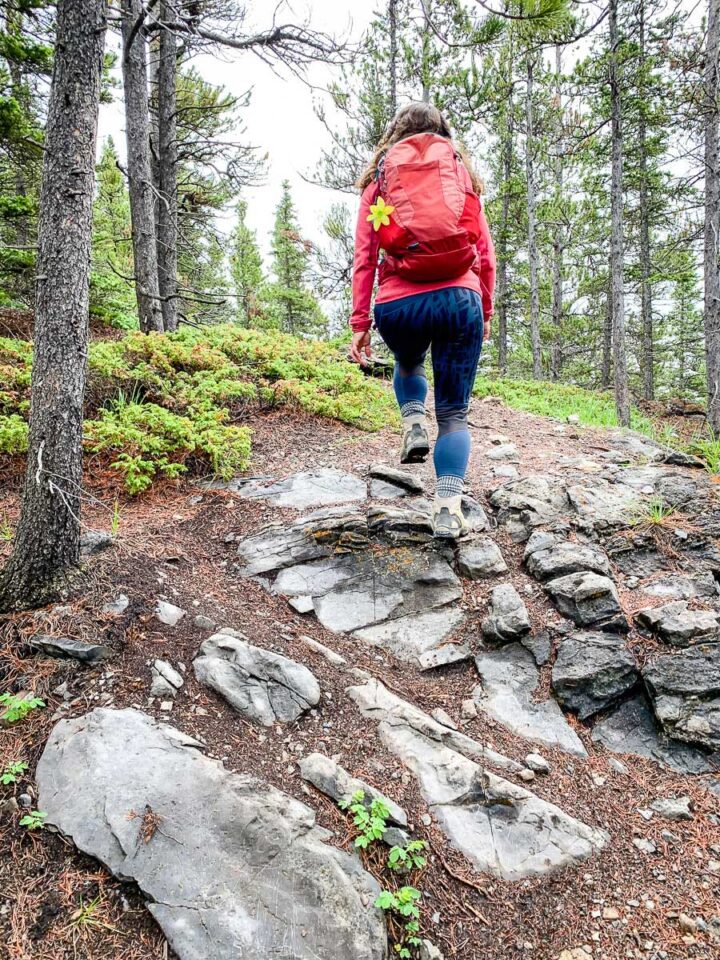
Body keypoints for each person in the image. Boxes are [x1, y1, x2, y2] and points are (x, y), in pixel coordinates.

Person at [349, 101, 496, 539]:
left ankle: (412, 418)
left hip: (399, 305)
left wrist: (360, 322)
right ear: (443, 133)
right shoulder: (461, 177)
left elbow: (365, 258)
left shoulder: (378, 185)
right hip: (460, 298)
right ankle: (448, 508)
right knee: (453, 414)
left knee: (409, 362)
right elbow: (485, 254)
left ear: (393, 137)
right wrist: (484, 310)